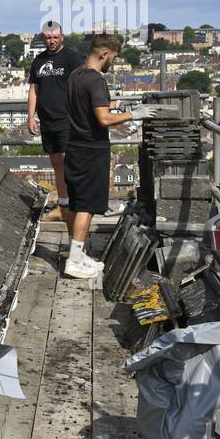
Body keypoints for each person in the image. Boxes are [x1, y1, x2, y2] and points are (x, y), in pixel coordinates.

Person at [63, 34, 158, 278]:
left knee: (76, 201)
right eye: (112, 58)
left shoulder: (76, 75)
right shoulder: (96, 81)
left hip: (74, 146)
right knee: (86, 205)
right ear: (104, 54)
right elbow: (103, 119)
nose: (112, 63)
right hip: (91, 149)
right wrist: (134, 114)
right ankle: (74, 261)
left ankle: (79, 254)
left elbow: (89, 106)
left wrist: (115, 104)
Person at [26, 21, 83, 222]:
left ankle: (78, 206)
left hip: (68, 119)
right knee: (57, 166)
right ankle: (64, 205)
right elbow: (34, 90)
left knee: (71, 165)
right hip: (47, 121)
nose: (52, 41)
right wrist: (30, 116)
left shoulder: (72, 58)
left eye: (55, 38)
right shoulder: (38, 61)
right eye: (48, 38)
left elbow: (81, 85)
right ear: (43, 39)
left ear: (62, 37)